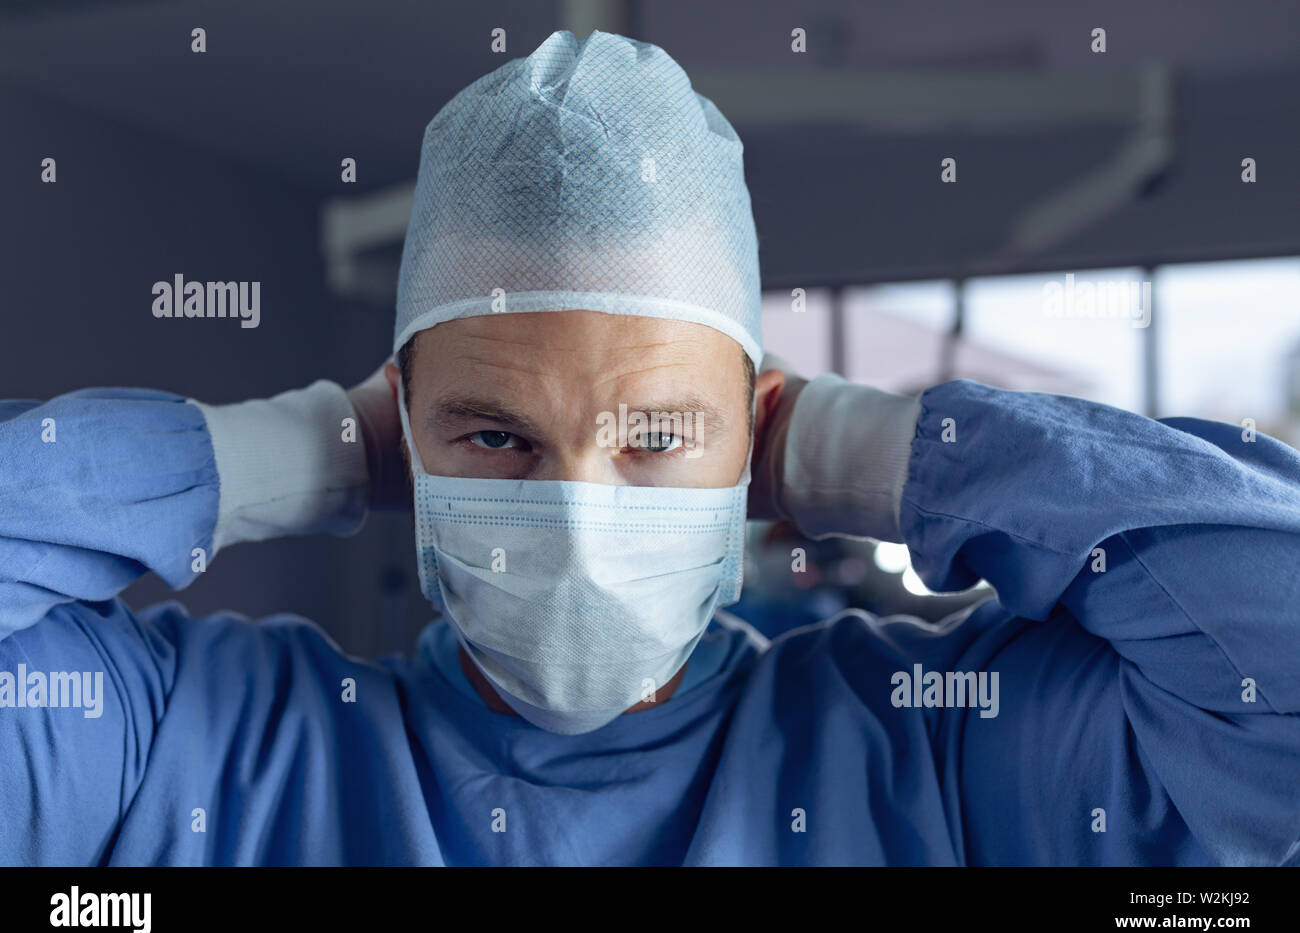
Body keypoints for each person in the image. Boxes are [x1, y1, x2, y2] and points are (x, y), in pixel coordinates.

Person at [2, 30, 1298, 866]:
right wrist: (279, 452)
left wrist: (888, 455)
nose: (576, 515)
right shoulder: (185, 747)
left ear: (764, 436)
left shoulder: (955, 753)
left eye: (661, 436)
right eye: (497, 434)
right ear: (399, 434)